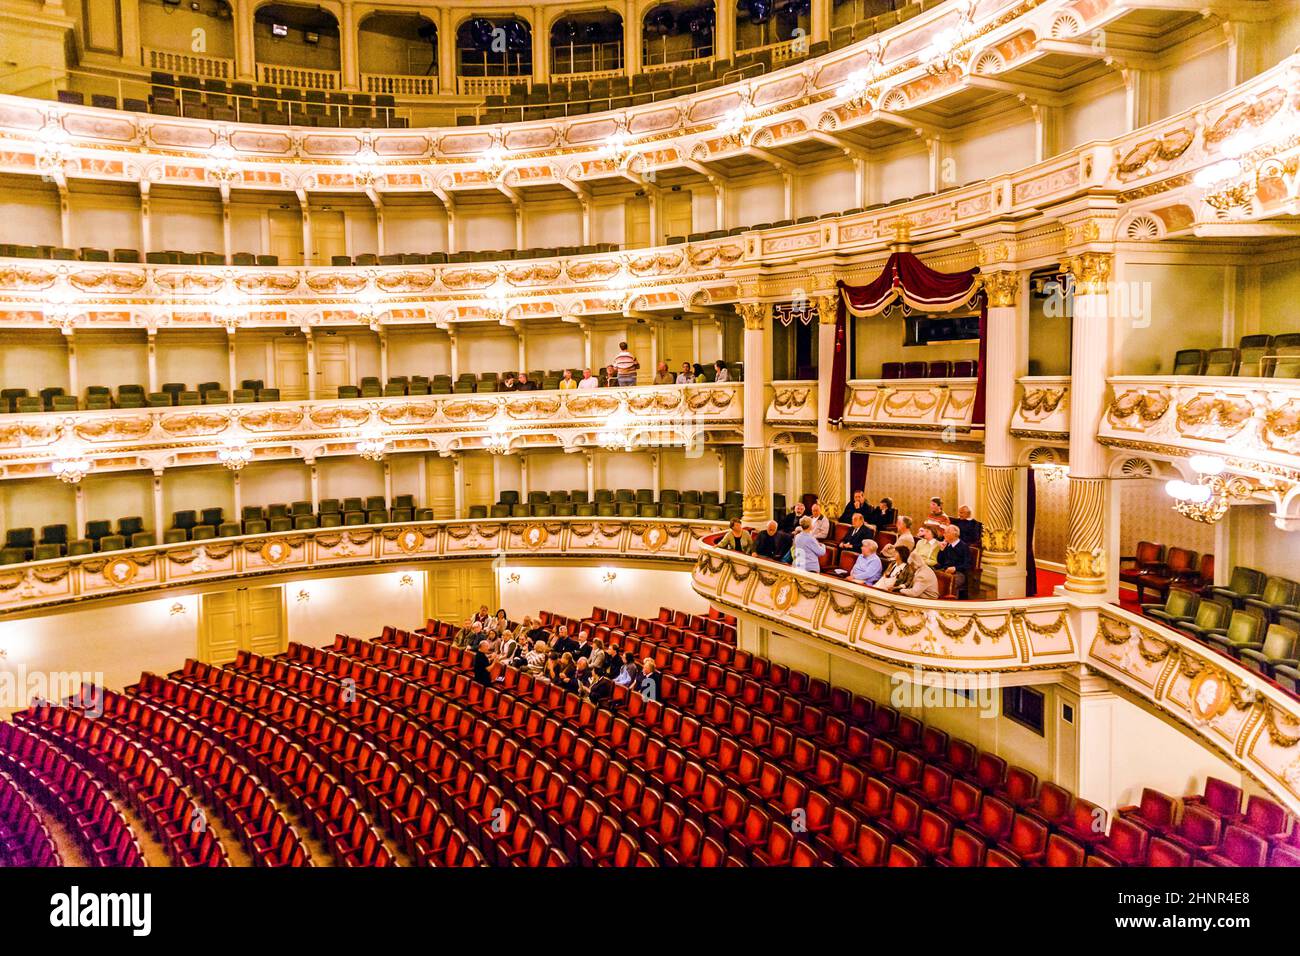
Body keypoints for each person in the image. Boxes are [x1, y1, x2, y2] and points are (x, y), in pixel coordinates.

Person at [936, 523, 973, 597]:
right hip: (945, 571)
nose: (944, 535)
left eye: (946, 533)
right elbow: (940, 561)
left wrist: (955, 568)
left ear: (954, 534)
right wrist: (942, 550)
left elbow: (968, 564)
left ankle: (949, 602)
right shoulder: (947, 545)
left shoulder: (964, 547)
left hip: (959, 573)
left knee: (948, 582)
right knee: (933, 578)